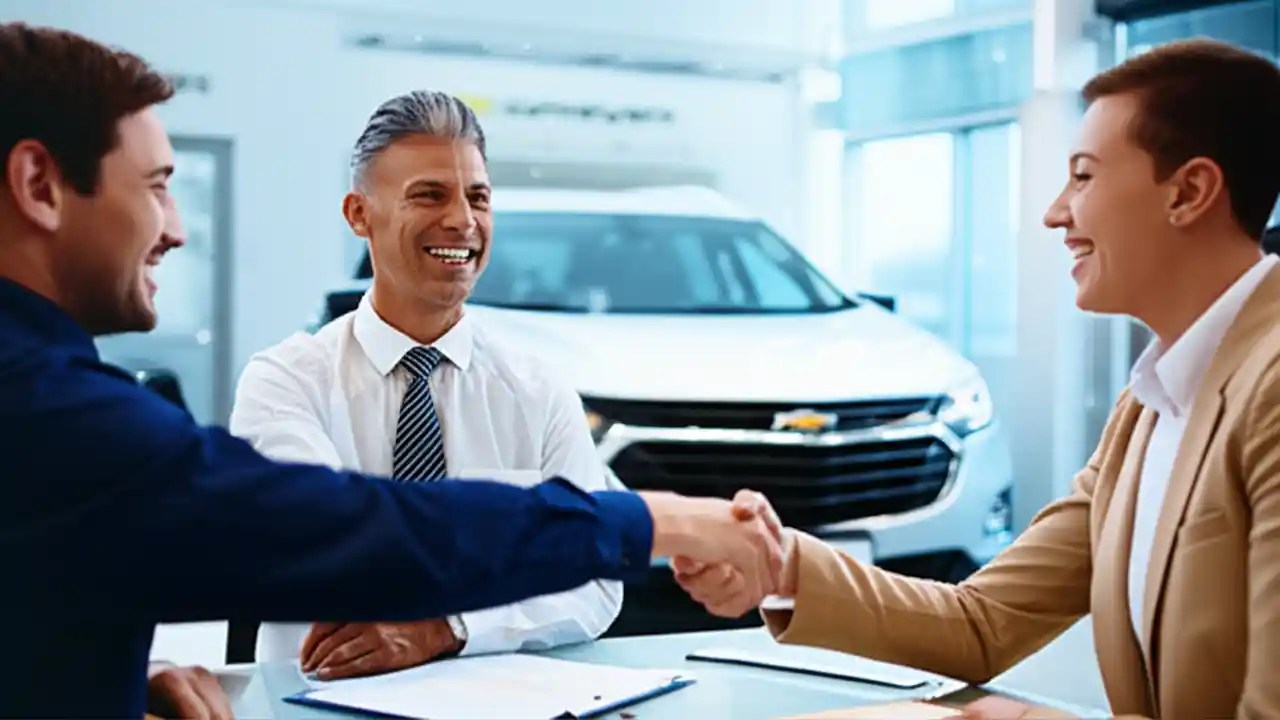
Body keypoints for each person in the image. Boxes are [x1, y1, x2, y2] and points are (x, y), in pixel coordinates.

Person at [0, 22, 783, 719]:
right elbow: (343, 533)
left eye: (478, 196)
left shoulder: (536, 383)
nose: (175, 228)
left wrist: (111, 679)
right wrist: (652, 520)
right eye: (156, 187)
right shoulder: (60, 408)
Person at [675, 39, 1280, 720]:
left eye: (1083, 177)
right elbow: (984, 620)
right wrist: (780, 565)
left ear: (1189, 192)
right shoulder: (1152, 403)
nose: (1056, 213)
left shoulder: (1269, 389)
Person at [230, 91, 622, 676]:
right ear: (359, 214)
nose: (462, 220)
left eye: (478, 197)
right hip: (318, 700)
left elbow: (593, 580)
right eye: (429, 195)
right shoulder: (285, 382)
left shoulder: (539, 390)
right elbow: (324, 541)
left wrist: (448, 628)